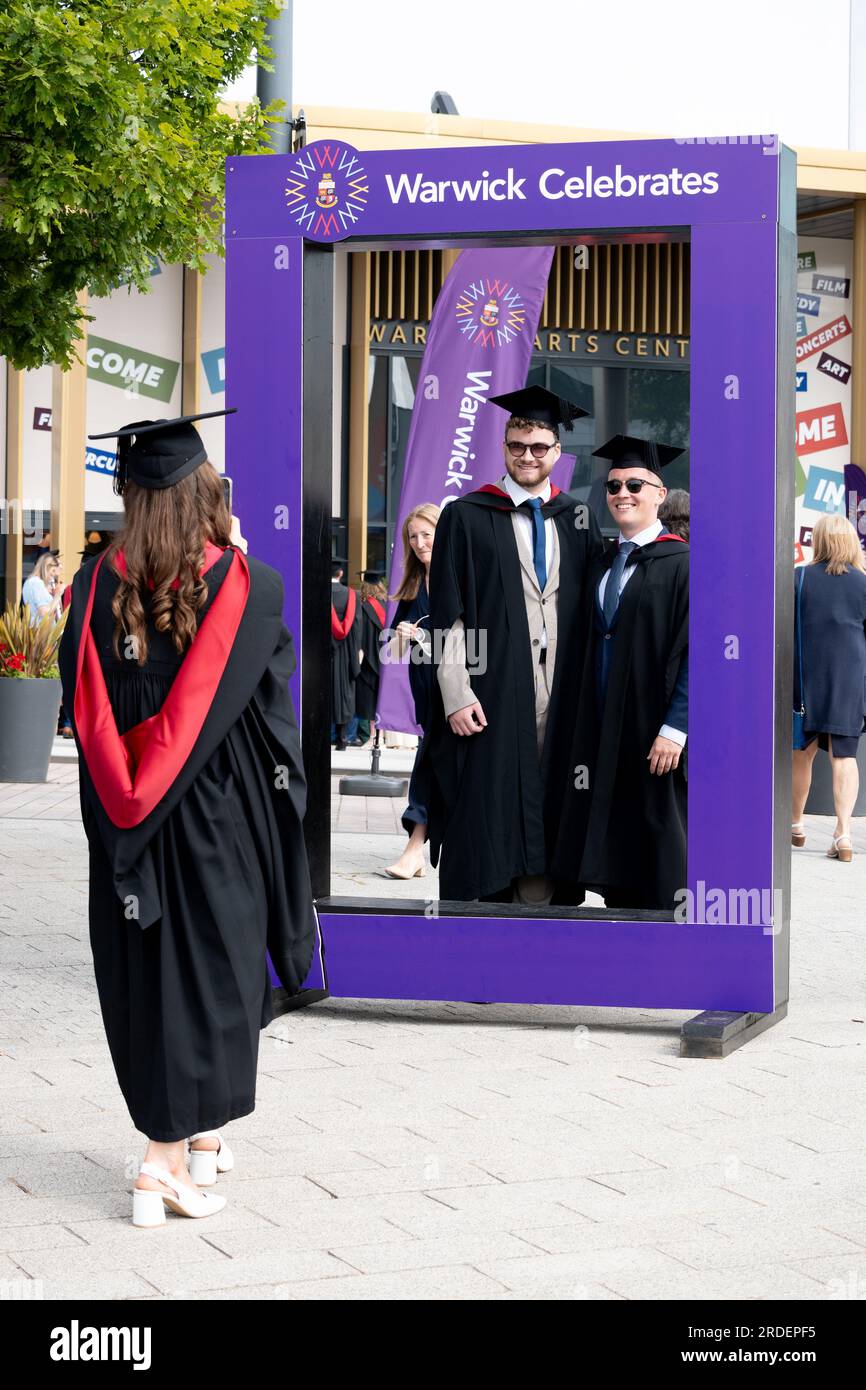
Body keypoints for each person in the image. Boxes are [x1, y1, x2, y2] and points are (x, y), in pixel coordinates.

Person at [58, 409, 318, 1228]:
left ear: (129, 499)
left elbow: (84, 707)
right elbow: (271, 706)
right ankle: (161, 1165)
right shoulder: (250, 586)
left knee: (151, 971)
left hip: (123, 814)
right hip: (218, 812)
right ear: (206, 489)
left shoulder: (91, 586)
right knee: (215, 974)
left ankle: (202, 1134)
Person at [426, 384, 603, 905]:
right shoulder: (467, 515)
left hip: (563, 692)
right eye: (517, 445)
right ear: (504, 447)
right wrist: (456, 691)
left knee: (554, 796)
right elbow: (448, 614)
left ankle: (543, 921)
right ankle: (481, 920)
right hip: (494, 690)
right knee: (488, 798)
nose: (527, 456)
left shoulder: (579, 520)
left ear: (557, 453)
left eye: (538, 447)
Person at [552, 435, 689, 910]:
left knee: (655, 828)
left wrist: (676, 727)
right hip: (601, 721)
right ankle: (620, 922)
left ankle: (667, 936)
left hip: (653, 725)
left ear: (659, 493)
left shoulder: (683, 564)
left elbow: (695, 655)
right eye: (613, 486)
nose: (622, 493)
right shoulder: (603, 563)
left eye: (635, 483)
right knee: (609, 828)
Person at [792, 513, 866, 862]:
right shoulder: (863, 583)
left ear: (817, 541)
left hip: (805, 682)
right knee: (845, 758)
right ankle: (844, 833)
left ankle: (795, 824)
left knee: (800, 756)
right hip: (849, 681)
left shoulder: (799, 578)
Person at [382, 504, 439, 879]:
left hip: (464, 691)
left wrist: (423, 636)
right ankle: (416, 849)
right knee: (431, 759)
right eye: (413, 537)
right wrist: (403, 637)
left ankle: (415, 847)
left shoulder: (462, 577)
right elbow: (393, 651)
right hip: (426, 690)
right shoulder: (413, 586)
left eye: (425, 534)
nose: (419, 543)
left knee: (430, 762)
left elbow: (475, 639)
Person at [330, 558, 362, 750]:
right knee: (344, 694)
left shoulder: (317, 591)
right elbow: (356, 627)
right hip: (345, 652)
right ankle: (342, 740)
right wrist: (356, 652)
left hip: (323, 653)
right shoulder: (351, 596)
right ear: (340, 573)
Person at [354, 569, 387, 746]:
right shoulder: (388, 604)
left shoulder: (363, 605)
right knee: (384, 694)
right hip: (388, 656)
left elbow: (360, 633)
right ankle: (382, 737)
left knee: (370, 698)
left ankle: (373, 736)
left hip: (368, 658)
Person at [22, 553, 61, 624]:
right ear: (46, 567)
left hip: (35, 628)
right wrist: (57, 595)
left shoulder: (29, 581)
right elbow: (44, 612)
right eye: (52, 571)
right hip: (42, 630)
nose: (52, 575)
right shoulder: (37, 583)